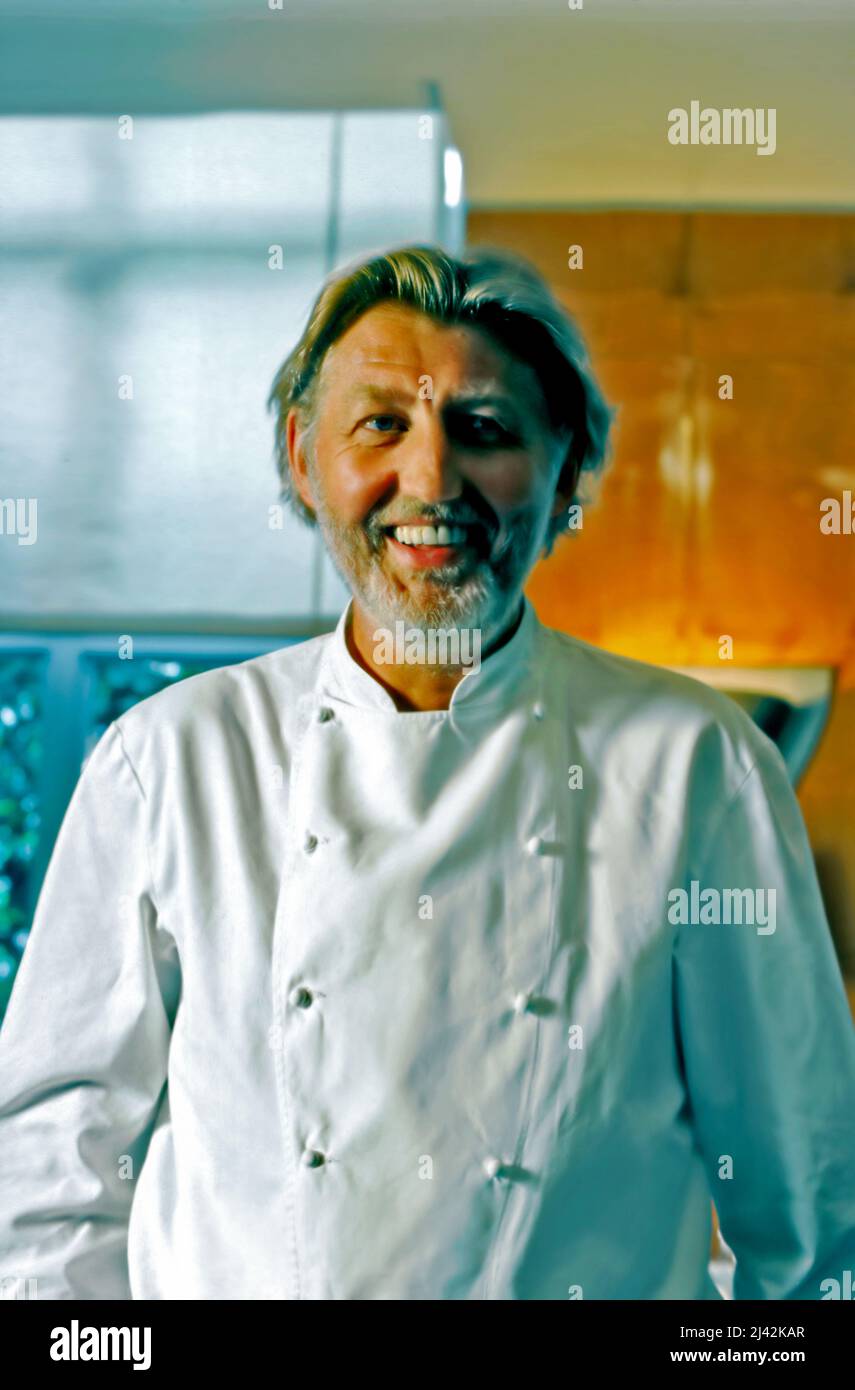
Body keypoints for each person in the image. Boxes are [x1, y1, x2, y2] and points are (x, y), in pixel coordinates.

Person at [1, 244, 853, 1301]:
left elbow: (811, 1212)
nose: (432, 479)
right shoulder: (174, 760)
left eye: (486, 430)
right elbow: (49, 1185)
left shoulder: (696, 764)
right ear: (304, 460)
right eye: (381, 426)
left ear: (568, 472)